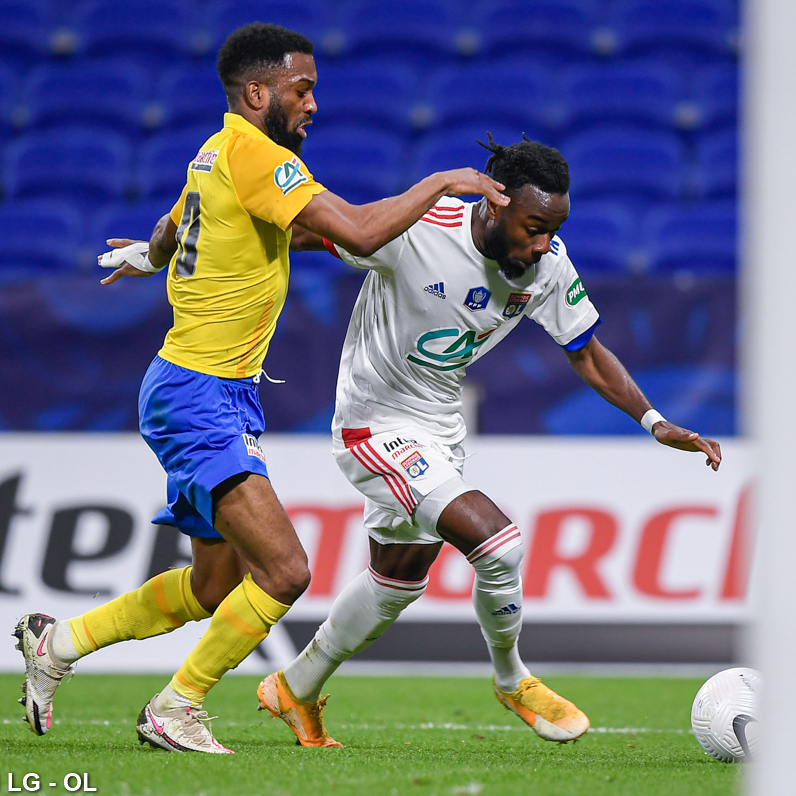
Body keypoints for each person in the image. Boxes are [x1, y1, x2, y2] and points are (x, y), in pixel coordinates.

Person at [13, 22, 508, 754]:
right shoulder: (256, 154)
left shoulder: (215, 152)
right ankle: (176, 707)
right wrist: (440, 184)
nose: (312, 104)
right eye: (301, 89)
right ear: (257, 92)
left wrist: (151, 260)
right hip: (197, 392)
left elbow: (179, 220)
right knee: (284, 570)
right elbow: (359, 233)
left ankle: (57, 644)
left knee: (212, 587)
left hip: (212, 391)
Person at [252, 134, 723, 748]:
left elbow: (587, 352)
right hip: (373, 423)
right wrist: (185, 242)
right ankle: (512, 678)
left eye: (554, 228)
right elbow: (302, 231)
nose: (542, 244)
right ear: (494, 206)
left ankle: (294, 687)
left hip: (440, 429)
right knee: (498, 545)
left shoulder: (546, 266)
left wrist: (654, 421)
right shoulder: (418, 230)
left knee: (397, 578)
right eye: (532, 227)